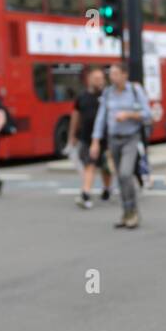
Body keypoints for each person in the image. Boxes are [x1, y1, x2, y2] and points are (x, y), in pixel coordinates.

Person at [90, 62, 152, 229]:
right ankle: (126, 213)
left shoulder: (135, 90)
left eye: (116, 74)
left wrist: (128, 115)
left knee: (125, 174)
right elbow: (101, 118)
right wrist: (95, 141)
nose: (112, 77)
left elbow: (148, 114)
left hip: (130, 138)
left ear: (124, 75)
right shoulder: (108, 93)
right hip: (113, 139)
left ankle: (133, 212)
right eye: (111, 74)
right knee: (120, 177)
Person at [67, 66, 113, 209]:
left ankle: (107, 188)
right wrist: (72, 136)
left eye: (101, 78)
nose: (99, 81)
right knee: (90, 164)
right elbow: (75, 117)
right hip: (87, 138)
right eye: (96, 78)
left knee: (106, 168)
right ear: (89, 80)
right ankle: (85, 193)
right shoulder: (82, 97)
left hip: (107, 139)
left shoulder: (108, 95)